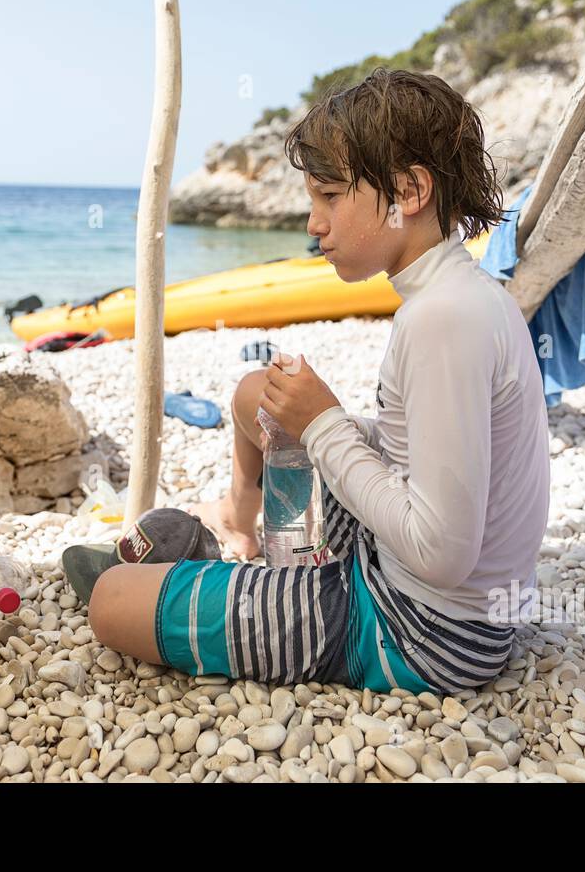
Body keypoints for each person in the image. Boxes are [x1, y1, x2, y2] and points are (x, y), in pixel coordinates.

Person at [63, 66, 551, 694]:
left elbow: (443, 554)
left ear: (410, 190)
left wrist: (323, 425)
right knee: (255, 398)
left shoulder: (444, 320)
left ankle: (214, 570)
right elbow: (433, 455)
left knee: (113, 603)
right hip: (422, 582)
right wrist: (322, 423)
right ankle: (240, 528)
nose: (313, 223)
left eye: (329, 196)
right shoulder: (462, 295)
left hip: (423, 630)